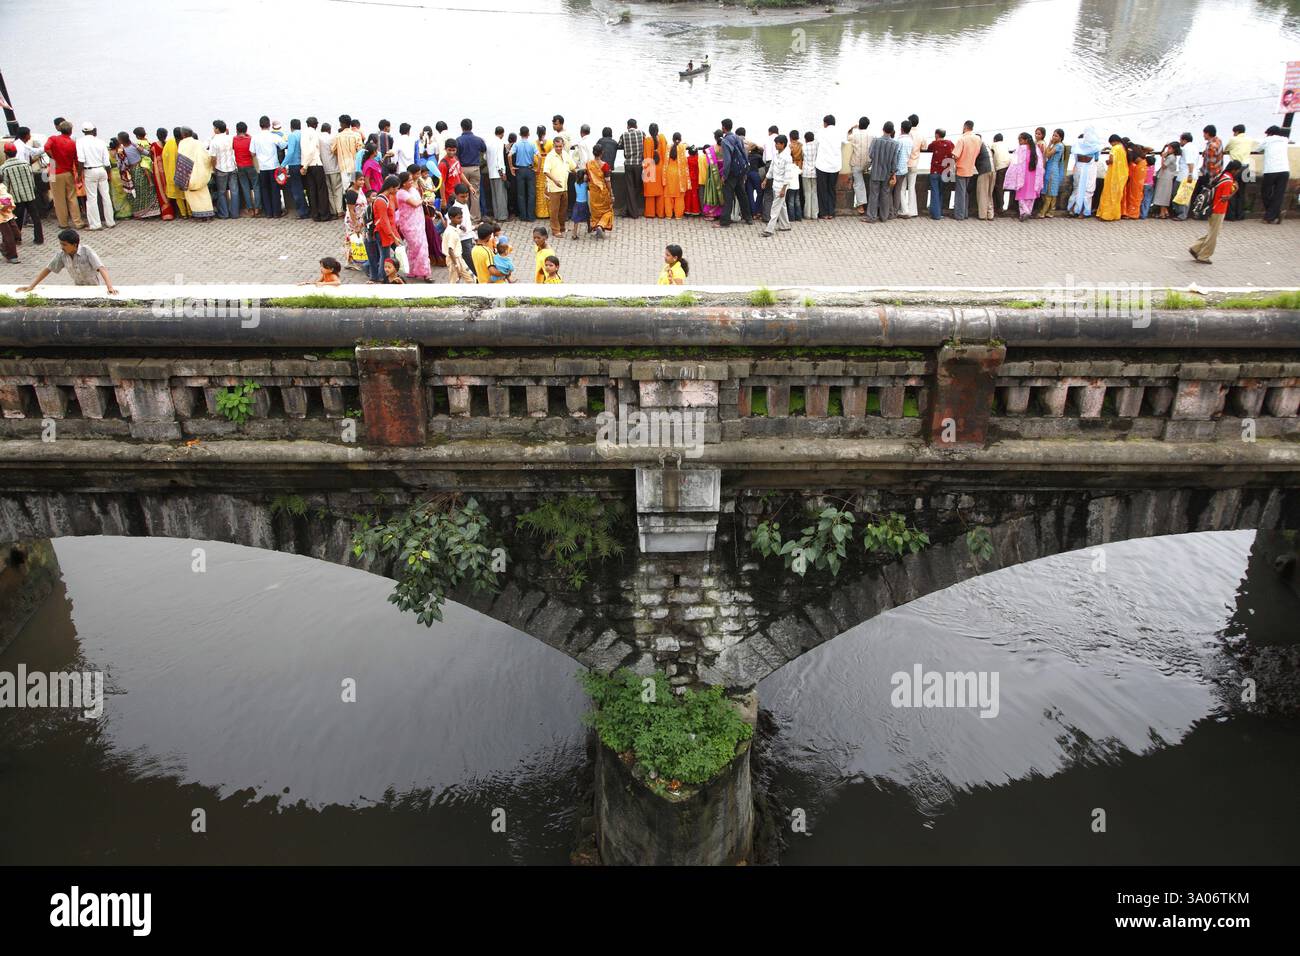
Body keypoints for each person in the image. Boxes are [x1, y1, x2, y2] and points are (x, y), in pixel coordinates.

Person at [17, 228, 118, 293]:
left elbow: (101, 268)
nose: (62, 247)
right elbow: (48, 269)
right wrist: (31, 286)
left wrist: (109, 287)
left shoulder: (87, 251)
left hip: (94, 288)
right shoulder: (62, 255)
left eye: (64, 244)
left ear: (74, 245)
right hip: (77, 288)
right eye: (61, 244)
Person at [1189, 160, 1240, 264]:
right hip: (1218, 209)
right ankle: (1204, 256)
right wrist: (1235, 190)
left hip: (1212, 208)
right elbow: (1225, 198)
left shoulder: (1222, 175)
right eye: (1238, 170)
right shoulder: (1229, 180)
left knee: (1212, 232)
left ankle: (1195, 247)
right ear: (1234, 170)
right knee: (1214, 235)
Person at [44, 120, 84, 229]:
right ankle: (78, 222)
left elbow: (46, 148)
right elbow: (76, 160)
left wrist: (53, 159)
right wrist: (79, 174)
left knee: (58, 199)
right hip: (68, 171)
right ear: (71, 131)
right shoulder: (72, 143)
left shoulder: (53, 139)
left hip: (53, 169)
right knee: (72, 197)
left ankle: (63, 223)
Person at [1, 142, 43, 244]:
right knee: (35, 217)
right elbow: (32, 179)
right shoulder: (26, 164)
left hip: (16, 197)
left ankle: (17, 238)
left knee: (17, 219)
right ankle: (39, 239)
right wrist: (33, 190)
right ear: (15, 152)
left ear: (6, 153)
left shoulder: (4, 168)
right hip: (29, 194)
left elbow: (5, 186)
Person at [76, 124, 114, 230]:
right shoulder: (101, 142)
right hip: (102, 170)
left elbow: (81, 160)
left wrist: (79, 174)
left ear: (83, 131)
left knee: (92, 198)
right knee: (106, 196)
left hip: (89, 171)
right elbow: (107, 162)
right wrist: (109, 174)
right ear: (94, 131)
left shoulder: (80, 142)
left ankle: (95, 224)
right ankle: (110, 221)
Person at [395, 171, 430, 281]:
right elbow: (414, 204)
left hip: (418, 222)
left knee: (419, 246)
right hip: (408, 224)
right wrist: (423, 200)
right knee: (417, 247)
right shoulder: (401, 193)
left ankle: (414, 271)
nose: (412, 182)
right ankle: (424, 272)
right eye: (409, 180)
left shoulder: (413, 190)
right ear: (403, 183)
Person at [718, 118, 752, 227]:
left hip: (731, 172)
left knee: (728, 196)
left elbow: (727, 161)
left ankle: (725, 221)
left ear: (723, 127)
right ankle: (748, 218)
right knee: (742, 195)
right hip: (740, 171)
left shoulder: (725, 141)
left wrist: (724, 175)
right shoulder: (738, 138)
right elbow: (744, 153)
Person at [175, 128, 215, 221]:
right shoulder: (199, 143)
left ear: (183, 135)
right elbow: (206, 157)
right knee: (204, 195)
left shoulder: (182, 144)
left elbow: (181, 161)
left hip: (189, 175)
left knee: (193, 197)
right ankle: (209, 214)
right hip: (201, 174)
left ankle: (199, 216)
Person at [366, 175, 400, 283]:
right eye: (395, 188)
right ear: (390, 187)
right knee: (384, 257)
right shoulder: (381, 201)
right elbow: (384, 221)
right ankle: (382, 278)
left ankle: (381, 275)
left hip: (388, 232)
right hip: (383, 233)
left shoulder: (388, 197)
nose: (397, 190)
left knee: (385, 256)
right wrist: (393, 236)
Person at [1003, 131, 1044, 220]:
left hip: (1023, 176)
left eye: (1020, 140)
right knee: (1031, 196)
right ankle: (1028, 211)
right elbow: (1040, 165)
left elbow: (1015, 163)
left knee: (1021, 195)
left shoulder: (1021, 149)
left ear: (1025, 140)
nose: (1019, 141)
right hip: (1033, 176)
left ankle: (1024, 212)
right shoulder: (1036, 149)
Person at [251, 117, 286, 218]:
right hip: (274, 166)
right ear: (269, 125)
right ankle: (277, 212)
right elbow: (283, 145)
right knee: (275, 189)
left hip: (262, 167)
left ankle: (268, 212)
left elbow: (252, 153)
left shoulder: (255, 137)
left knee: (265, 189)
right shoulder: (273, 136)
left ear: (260, 125)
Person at [760, 134, 794, 237]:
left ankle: (769, 229)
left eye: (777, 144)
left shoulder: (787, 158)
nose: (775, 145)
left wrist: (784, 189)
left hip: (781, 187)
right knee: (782, 206)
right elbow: (771, 169)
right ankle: (785, 225)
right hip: (775, 184)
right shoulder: (776, 155)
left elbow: (788, 174)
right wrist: (766, 179)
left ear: (783, 144)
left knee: (774, 209)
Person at [1255, 125, 1290, 223]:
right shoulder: (1285, 140)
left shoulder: (1267, 140)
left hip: (1271, 170)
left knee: (1265, 192)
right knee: (1278, 194)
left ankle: (1269, 217)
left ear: (1269, 133)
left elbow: (1257, 149)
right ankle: (1276, 213)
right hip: (1284, 170)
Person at [864, 122, 899, 222]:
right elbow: (894, 161)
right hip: (887, 173)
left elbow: (871, 155)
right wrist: (893, 173)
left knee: (874, 195)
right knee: (885, 195)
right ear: (892, 131)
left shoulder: (875, 141)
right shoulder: (895, 144)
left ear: (883, 129)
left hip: (875, 171)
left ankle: (872, 217)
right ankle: (884, 216)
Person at [456, 119, 487, 219]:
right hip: (475, 168)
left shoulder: (458, 140)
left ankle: (464, 216)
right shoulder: (478, 139)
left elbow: (456, 154)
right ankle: (475, 216)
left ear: (462, 127)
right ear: (471, 126)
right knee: (475, 193)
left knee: (464, 193)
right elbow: (484, 149)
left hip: (463, 170)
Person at [1067, 127, 1102, 217]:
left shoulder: (1078, 144)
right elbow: (1096, 159)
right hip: (1088, 168)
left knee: (1079, 189)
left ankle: (1074, 210)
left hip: (1080, 167)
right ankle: (1081, 211)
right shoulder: (1095, 146)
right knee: (1086, 190)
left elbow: (1075, 156)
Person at [1223, 124, 1255, 221]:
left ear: (1236, 132)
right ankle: (1240, 215)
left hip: (1236, 168)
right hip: (1247, 167)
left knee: (1232, 190)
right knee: (1241, 192)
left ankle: (1231, 215)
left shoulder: (1234, 139)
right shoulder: (1250, 140)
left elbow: (1226, 149)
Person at [543, 136, 572, 238]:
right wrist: (555, 181)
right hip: (554, 188)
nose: (559, 148)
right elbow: (546, 171)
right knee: (554, 210)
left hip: (564, 187)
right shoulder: (550, 156)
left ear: (563, 145)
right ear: (554, 146)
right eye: (556, 146)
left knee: (563, 209)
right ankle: (555, 230)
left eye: (560, 146)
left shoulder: (565, 154)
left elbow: (572, 167)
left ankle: (562, 227)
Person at [950, 121, 980, 220]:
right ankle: (965, 213)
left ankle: (959, 215)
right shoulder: (977, 139)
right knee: (966, 192)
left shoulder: (962, 139)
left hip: (961, 168)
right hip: (970, 168)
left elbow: (955, 155)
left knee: (960, 193)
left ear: (964, 127)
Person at [814, 114, 841, 219]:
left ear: (825, 123)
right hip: (835, 165)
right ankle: (831, 212)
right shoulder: (839, 132)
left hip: (822, 165)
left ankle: (824, 213)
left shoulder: (821, 131)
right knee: (831, 189)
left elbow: (816, 141)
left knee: (822, 189)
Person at [923, 128, 954, 220]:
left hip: (935, 171)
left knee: (935, 192)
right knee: (941, 192)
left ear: (937, 135)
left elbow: (928, 148)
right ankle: (939, 212)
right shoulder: (950, 143)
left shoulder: (934, 143)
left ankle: (935, 214)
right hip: (945, 171)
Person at [1097, 134, 1128, 221]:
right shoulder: (1122, 148)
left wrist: (1107, 161)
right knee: (1117, 196)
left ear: (1113, 141)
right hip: (1122, 175)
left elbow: (1111, 160)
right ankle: (1115, 215)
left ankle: (1107, 215)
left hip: (1113, 175)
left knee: (1108, 194)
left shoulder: (1114, 148)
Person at [618, 119, 644, 219]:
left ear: (628, 126)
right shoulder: (642, 133)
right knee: (638, 187)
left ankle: (628, 211)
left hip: (628, 164)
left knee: (629, 188)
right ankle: (632, 212)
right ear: (636, 125)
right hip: (638, 164)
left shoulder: (624, 135)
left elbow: (619, 145)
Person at [587, 144, 614, 238]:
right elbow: (608, 181)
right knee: (608, 210)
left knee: (596, 211)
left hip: (593, 193)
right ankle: (601, 225)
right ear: (602, 153)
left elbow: (587, 178)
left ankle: (597, 226)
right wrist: (611, 193)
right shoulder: (605, 166)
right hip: (603, 192)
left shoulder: (589, 164)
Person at [441, 206, 474, 283]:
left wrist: (461, 227)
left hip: (459, 258)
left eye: (461, 217)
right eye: (458, 218)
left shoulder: (455, 228)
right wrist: (456, 264)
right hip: (453, 260)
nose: (461, 220)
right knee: (454, 281)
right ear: (451, 218)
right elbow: (450, 250)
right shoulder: (451, 233)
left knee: (470, 277)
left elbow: (459, 229)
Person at [283, 119, 308, 218]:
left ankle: (302, 212)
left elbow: (290, 152)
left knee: (296, 189)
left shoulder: (292, 136)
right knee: (305, 187)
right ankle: (308, 208)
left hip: (294, 165)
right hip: (303, 164)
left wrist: (283, 164)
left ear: (291, 127)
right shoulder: (303, 135)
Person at [1038, 128, 1066, 218]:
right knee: (1050, 190)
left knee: (1050, 191)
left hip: (1052, 169)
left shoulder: (1059, 146)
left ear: (1060, 138)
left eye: (1056, 136)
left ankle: (1044, 212)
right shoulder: (1056, 145)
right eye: (1053, 135)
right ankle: (1050, 211)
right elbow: (1046, 153)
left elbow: (1047, 154)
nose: (1054, 137)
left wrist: (1050, 143)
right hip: (1051, 168)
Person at [642, 123, 668, 218]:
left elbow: (646, 156)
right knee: (660, 191)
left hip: (650, 166)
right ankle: (661, 213)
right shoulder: (662, 138)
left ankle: (650, 213)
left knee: (650, 192)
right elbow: (665, 152)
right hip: (660, 167)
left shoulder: (647, 140)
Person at [847, 117, 872, 213]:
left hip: (857, 163)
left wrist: (852, 128)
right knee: (863, 181)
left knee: (858, 183)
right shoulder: (872, 135)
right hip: (868, 163)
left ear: (859, 125)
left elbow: (847, 137)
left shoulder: (854, 135)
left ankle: (861, 206)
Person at [1151, 141, 1181, 219]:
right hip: (1167, 177)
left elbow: (1164, 166)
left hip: (1165, 177)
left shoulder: (1171, 157)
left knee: (1162, 194)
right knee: (1164, 194)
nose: (1168, 150)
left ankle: (1162, 213)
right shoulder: (1173, 156)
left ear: (1174, 149)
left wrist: (1162, 158)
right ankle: (1165, 211)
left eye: (1170, 148)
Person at [663, 133, 689, 220]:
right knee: (679, 196)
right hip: (679, 174)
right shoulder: (681, 147)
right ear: (680, 139)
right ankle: (678, 215)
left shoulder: (668, 147)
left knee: (668, 195)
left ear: (672, 139)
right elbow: (685, 145)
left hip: (669, 173)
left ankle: (669, 215)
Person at [894, 120, 915, 218]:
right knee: (899, 190)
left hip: (897, 169)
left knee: (894, 191)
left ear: (901, 129)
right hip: (904, 168)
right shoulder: (910, 141)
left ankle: (895, 210)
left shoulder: (899, 140)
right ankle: (899, 210)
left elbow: (895, 154)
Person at [320, 122, 341, 218]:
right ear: (329, 130)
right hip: (334, 167)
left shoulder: (318, 139)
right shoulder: (332, 138)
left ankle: (333, 211)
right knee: (337, 190)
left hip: (324, 168)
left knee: (329, 191)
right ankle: (339, 209)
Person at [1121, 142, 1147, 219]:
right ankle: (1134, 212)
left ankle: (1133, 214)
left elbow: (1129, 161)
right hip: (1142, 166)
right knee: (1137, 192)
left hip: (1139, 169)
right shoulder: (1137, 149)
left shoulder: (1130, 151)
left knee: (1135, 192)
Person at [487, 126, 508, 220]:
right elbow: (499, 159)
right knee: (501, 196)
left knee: (494, 196)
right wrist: (502, 172)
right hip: (498, 172)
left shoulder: (489, 143)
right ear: (502, 133)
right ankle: (502, 216)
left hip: (491, 172)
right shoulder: (500, 143)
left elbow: (485, 157)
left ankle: (496, 215)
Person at [990, 133, 1012, 216]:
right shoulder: (1005, 145)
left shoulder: (993, 145)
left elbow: (991, 156)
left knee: (998, 187)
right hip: (1008, 166)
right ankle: (1000, 206)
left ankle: (999, 208)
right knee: (1001, 186)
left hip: (1000, 167)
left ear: (995, 139)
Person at [800, 131, 819, 220]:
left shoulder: (803, 147)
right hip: (814, 171)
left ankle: (807, 214)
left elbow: (802, 157)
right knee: (814, 193)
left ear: (805, 139)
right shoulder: (816, 146)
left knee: (807, 193)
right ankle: (815, 214)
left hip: (806, 172)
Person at [569, 167, 589, 239]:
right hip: (584, 203)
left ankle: (574, 234)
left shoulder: (575, 184)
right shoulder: (586, 184)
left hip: (577, 204)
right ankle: (589, 228)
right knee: (588, 216)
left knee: (576, 220)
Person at [0, 182, 18, 263]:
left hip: (8, 214)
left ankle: (4, 248)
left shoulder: (2, 186)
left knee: (16, 234)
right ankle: (12, 256)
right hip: (1, 217)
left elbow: (8, 197)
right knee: (9, 236)